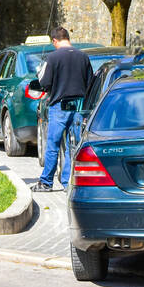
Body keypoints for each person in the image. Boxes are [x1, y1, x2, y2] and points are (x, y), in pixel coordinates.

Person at [35, 27, 94, 191]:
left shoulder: (52, 58)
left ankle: (46, 182)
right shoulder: (83, 57)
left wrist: (40, 73)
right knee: (73, 147)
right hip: (78, 108)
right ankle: (69, 183)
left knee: (53, 145)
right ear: (67, 38)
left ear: (54, 40)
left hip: (59, 107)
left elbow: (45, 83)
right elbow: (90, 83)